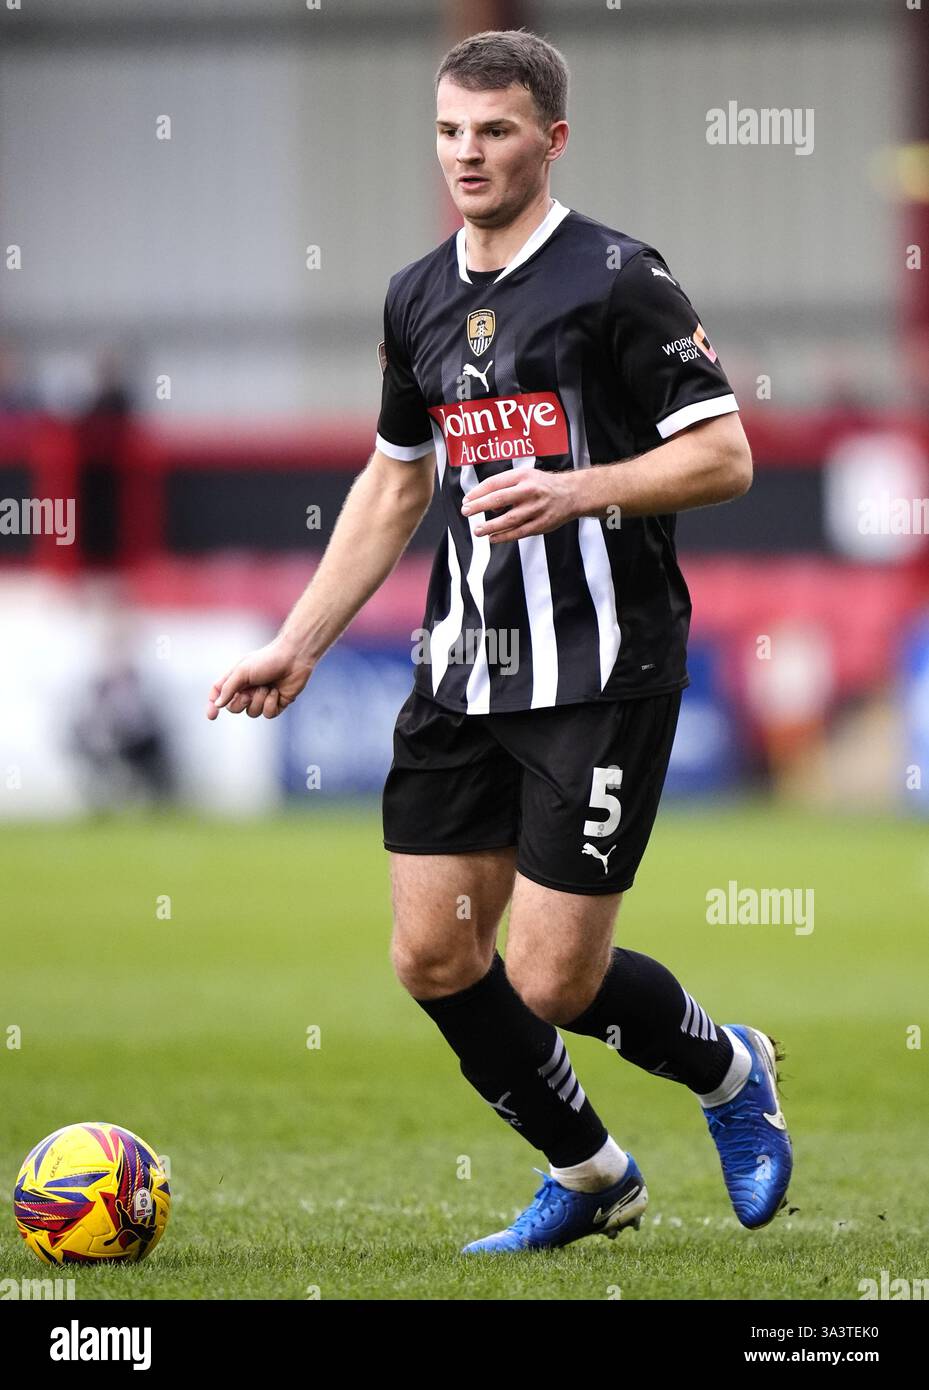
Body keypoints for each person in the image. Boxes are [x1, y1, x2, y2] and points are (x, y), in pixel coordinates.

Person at [207, 28, 792, 1254]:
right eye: (447, 131)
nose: (466, 154)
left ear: (550, 139)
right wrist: (298, 641)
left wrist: (578, 490)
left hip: (601, 667)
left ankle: (729, 1071)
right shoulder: (414, 295)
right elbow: (391, 482)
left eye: (494, 131)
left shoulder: (620, 279)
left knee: (552, 981)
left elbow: (725, 457)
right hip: (463, 667)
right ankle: (589, 1173)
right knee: (430, 954)